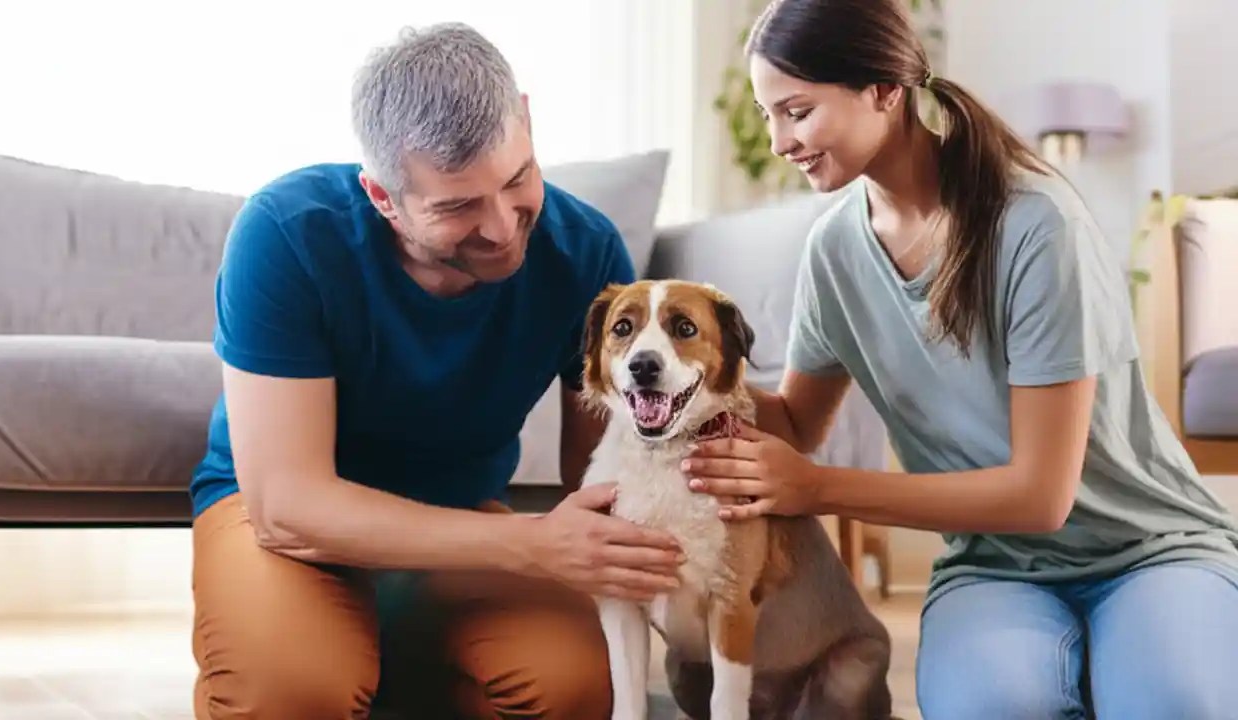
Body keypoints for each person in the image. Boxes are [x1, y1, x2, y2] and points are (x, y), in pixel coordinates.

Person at [683, 1, 1238, 718]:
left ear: (883, 89)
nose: (779, 139)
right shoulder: (835, 251)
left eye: (797, 111)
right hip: (995, 568)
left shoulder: (1036, 223)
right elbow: (792, 423)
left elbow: (1040, 497)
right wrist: (679, 365)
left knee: (1176, 705)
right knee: (996, 707)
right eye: (767, 115)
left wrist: (816, 488)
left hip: (1150, 550)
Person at [187, 23, 684, 719]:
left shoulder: (588, 254)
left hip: (458, 529)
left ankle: (392, 660)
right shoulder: (286, 233)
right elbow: (287, 506)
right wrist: (530, 544)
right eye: (457, 207)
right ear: (382, 196)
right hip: (285, 527)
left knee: (570, 688)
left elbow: (602, 476)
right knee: (291, 692)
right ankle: (343, 650)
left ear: (528, 121)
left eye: (518, 180)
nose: (504, 228)